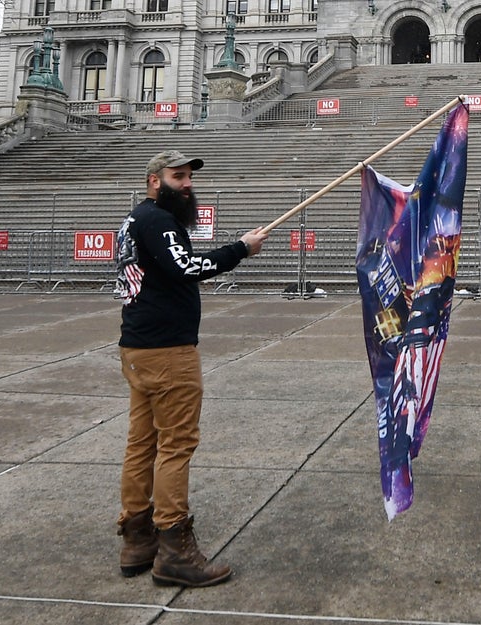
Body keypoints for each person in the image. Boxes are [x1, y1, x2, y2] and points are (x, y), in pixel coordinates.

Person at [113, 150, 268, 588]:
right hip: (167, 351)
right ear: (153, 181)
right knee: (177, 445)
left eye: (188, 178)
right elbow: (187, 267)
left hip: (139, 346)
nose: (186, 184)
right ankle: (176, 550)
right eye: (176, 177)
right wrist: (240, 249)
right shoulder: (157, 221)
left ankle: (138, 537)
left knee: (142, 443)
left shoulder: (135, 220)